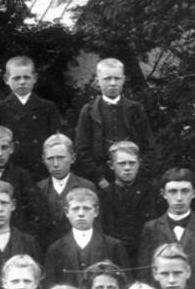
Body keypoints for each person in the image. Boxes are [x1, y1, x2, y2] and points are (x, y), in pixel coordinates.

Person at [74, 58, 156, 188]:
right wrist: (100, 180)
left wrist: (138, 176)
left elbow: (149, 147)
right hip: (102, 180)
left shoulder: (136, 109)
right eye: (107, 79)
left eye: (117, 78)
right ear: (98, 81)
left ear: (123, 80)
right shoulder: (89, 111)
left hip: (135, 178)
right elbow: (82, 151)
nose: (113, 83)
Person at [0, 56, 62, 180]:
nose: (22, 82)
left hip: (41, 171)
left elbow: (56, 143)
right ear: (6, 79)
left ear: (35, 78)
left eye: (26, 77)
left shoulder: (48, 107)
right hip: (10, 170)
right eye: (16, 78)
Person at [44, 187, 129, 289]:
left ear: (96, 211)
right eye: (75, 209)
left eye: (86, 208)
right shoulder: (56, 249)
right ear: (67, 212)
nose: (81, 214)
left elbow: (124, 283)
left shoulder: (113, 245)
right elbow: (50, 286)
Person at [98, 141, 159, 267]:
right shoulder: (103, 196)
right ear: (111, 165)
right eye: (121, 163)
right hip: (113, 258)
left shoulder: (151, 192)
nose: (127, 168)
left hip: (146, 257)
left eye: (132, 163)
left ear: (139, 163)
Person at [36, 134, 98, 250]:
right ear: (43, 159)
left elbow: (96, 226)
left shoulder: (86, 186)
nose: (55, 164)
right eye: (50, 158)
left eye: (60, 158)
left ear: (73, 158)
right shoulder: (38, 188)